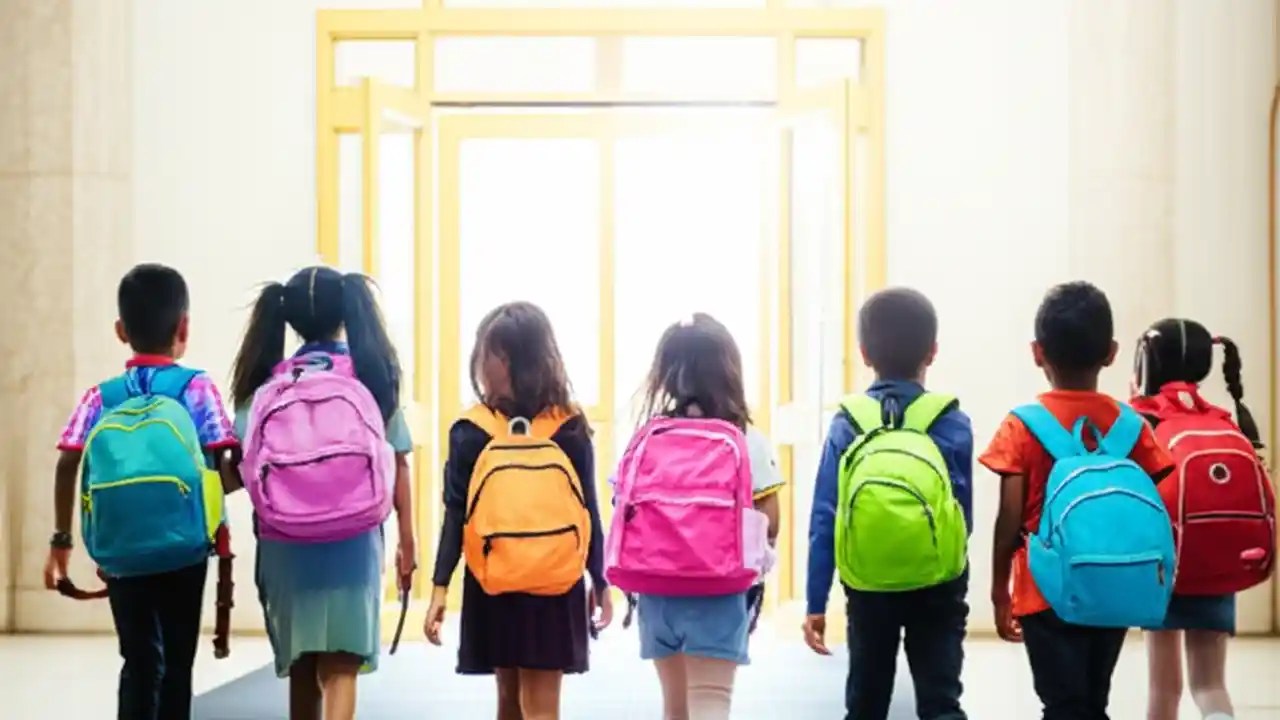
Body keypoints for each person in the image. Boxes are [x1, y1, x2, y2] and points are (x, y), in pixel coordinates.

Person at [45, 263, 239, 720]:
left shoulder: (101, 396)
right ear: (183, 327)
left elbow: (68, 461)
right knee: (177, 663)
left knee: (138, 660)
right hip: (185, 549)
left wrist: (61, 540)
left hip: (121, 550)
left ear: (121, 331)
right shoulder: (196, 388)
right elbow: (223, 467)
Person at [980, 281, 1174, 720]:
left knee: (1062, 704)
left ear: (1037, 353)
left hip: (1043, 590)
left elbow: (1009, 518)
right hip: (1113, 581)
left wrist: (998, 590)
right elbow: (1149, 503)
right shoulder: (1131, 426)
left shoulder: (1021, 426)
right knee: (1093, 701)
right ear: (1111, 353)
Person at [229, 266, 416, 720]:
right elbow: (399, 462)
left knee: (302, 663)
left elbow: (241, 463)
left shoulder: (265, 385)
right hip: (354, 540)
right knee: (341, 666)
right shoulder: (371, 377)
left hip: (284, 543)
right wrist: (408, 542)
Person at [425, 301, 612, 720]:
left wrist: (440, 586)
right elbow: (588, 510)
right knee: (531, 704)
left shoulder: (473, 431)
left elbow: (456, 514)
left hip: (497, 579)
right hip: (552, 582)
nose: (481, 364)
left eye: (488, 354)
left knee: (515, 701)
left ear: (509, 359)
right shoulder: (568, 427)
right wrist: (598, 578)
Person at [802, 287, 972, 720]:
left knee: (867, 700)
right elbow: (962, 514)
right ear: (932, 352)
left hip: (868, 581)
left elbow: (825, 516)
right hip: (938, 580)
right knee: (941, 701)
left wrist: (815, 601)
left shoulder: (848, 422)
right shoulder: (951, 420)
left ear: (864, 354)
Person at [620, 313, 784, 720]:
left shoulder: (649, 437)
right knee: (711, 702)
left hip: (656, 590)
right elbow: (770, 520)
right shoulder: (745, 438)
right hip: (719, 592)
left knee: (674, 708)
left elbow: (624, 507)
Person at [1131, 318, 1272, 720]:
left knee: (1163, 689)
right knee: (1210, 685)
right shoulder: (1226, 421)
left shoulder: (1144, 422)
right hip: (1220, 565)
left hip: (1166, 569)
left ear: (1146, 362)